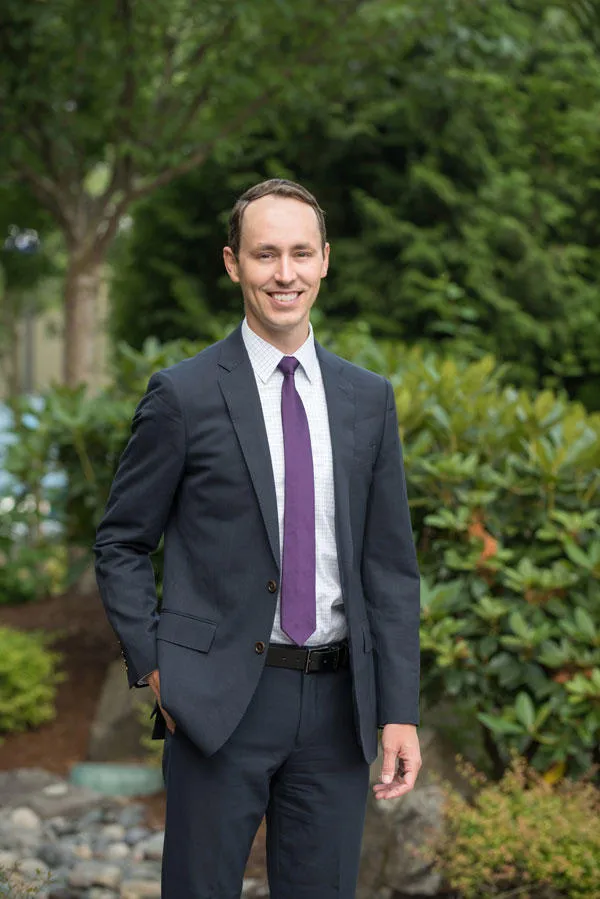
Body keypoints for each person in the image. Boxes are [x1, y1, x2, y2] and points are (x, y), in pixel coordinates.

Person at [94, 178, 421, 899]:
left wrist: (399, 708)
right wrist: (157, 669)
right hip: (217, 702)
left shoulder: (368, 399)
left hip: (339, 710)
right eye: (265, 254)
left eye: (300, 253)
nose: (284, 273)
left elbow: (390, 568)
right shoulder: (183, 395)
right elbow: (120, 542)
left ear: (325, 259)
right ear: (233, 263)